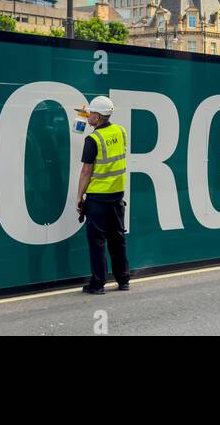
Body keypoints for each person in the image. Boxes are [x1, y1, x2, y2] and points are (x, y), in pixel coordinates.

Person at [75, 96, 130, 294]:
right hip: (117, 196)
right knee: (117, 239)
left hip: (98, 197)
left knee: (97, 242)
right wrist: (84, 115)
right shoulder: (121, 131)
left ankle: (98, 284)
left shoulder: (93, 139)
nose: (88, 115)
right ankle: (123, 280)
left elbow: (86, 171)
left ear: (98, 117)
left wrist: (79, 196)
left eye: (91, 113)